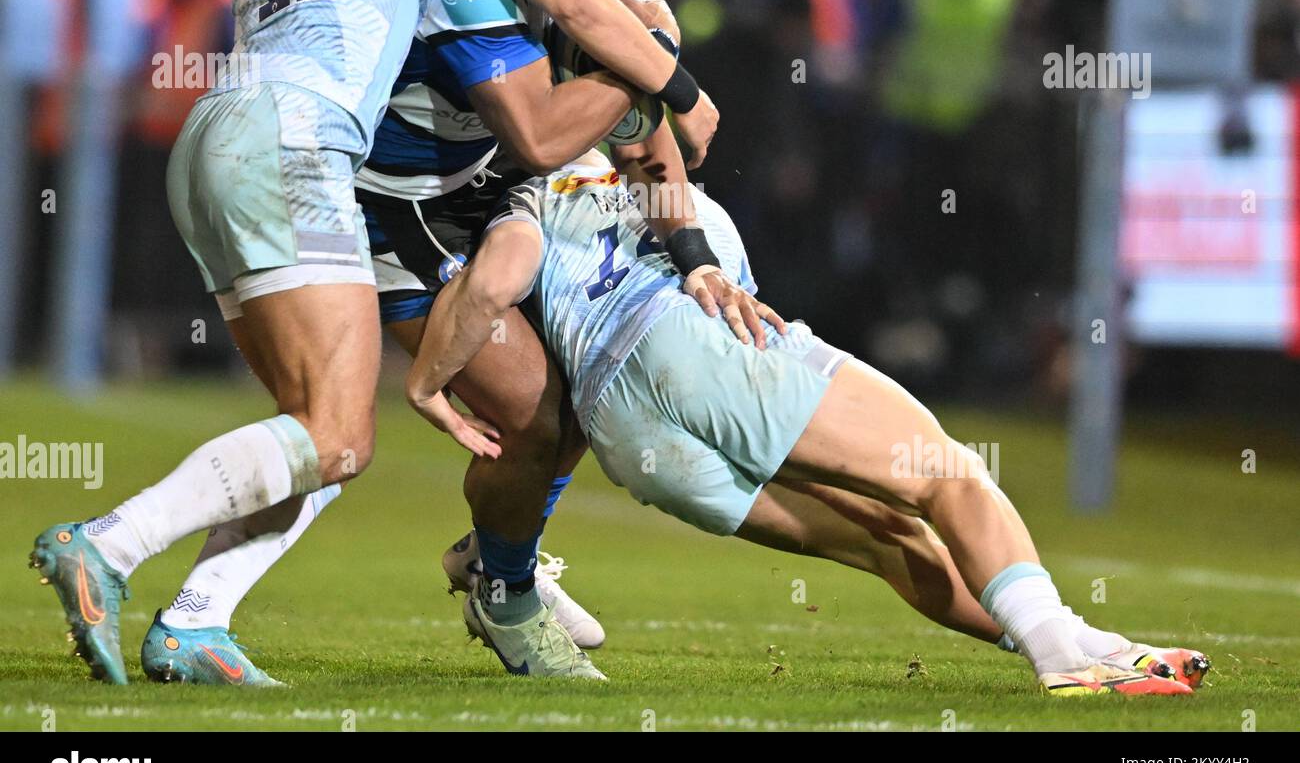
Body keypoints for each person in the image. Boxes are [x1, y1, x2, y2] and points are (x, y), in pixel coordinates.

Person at [30, 0, 719, 686]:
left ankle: (195, 620)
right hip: (308, 150)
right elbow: (566, 0)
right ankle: (107, 540)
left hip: (211, 138)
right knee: (338, 435)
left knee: (314, 423)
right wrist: (675, 81)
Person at [407, 148, 1209, 694]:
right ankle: (1066, 661)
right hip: (694, 343)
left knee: (883, 540)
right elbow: (691, 118)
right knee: (948, 474)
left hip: (626, 426)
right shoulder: (619, 145)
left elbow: (492, 286)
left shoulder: (519, 201)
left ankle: (1087, 646)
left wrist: (428, 383)